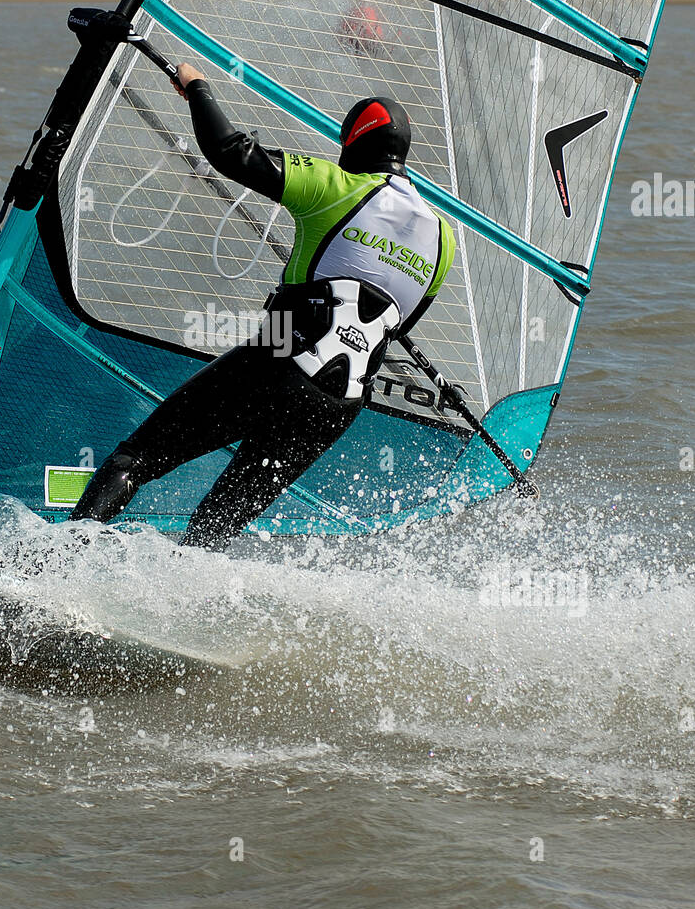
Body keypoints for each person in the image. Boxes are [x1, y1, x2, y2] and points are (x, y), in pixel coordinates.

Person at [70, 63, 456, 549]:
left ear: (353, 143)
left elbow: (230, 152)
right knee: (216, 526)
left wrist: (196, 87)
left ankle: (52, 568)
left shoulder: (334, 185)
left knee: (136, 459)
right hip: (339, 403)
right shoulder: (444, 239)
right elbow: (399, 324)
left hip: (279, 359)